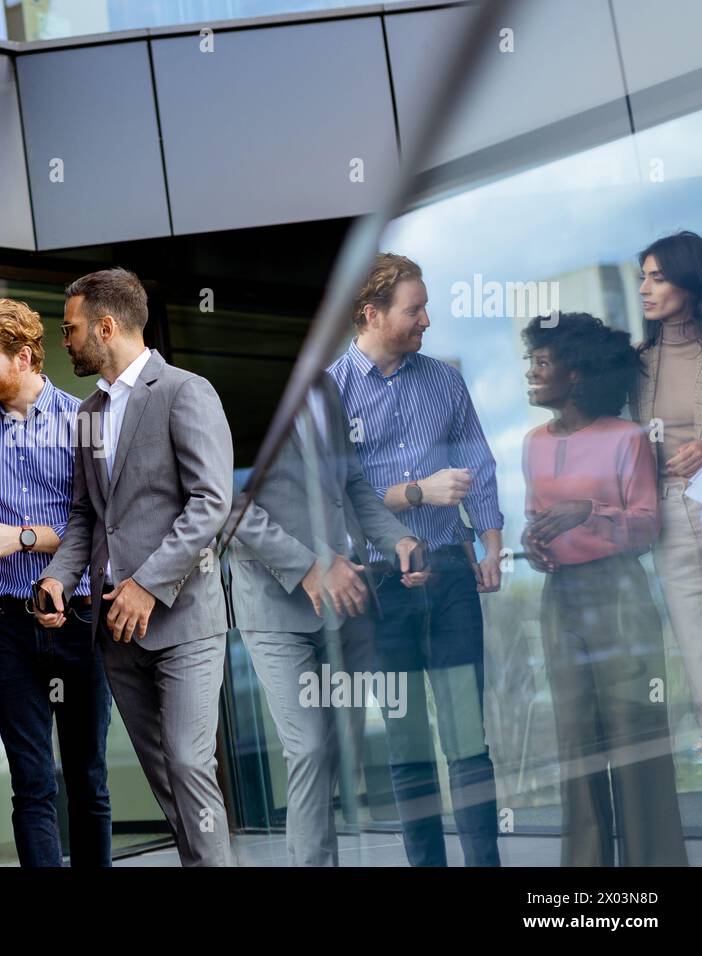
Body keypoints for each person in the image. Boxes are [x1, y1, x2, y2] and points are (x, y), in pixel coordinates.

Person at [35, 267, 235, 867]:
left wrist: (147, 585)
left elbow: (211, 503)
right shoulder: (88, 413)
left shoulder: (184, 391)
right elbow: (86, 516)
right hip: (116, 632)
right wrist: (57, 578)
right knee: (165, 776)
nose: (64, 340)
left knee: (189, 762)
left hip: (184, 621)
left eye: (70, 329)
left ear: (106, 326)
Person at [326, 252, 502, 867]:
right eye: (415, 309)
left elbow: (479, 464)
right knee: (407, 750)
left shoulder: (444, 381)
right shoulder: (331, 393)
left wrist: (492, 544)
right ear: (371, 313)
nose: (427, 319)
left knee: (467, 741)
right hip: (380, 590)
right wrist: (417, 492)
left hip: (451, 577)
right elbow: (334, 498)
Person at [0, 298, 112, 867]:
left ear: (25, 358)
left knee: (87, 775)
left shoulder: (84, 423)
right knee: (31, 781)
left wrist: (23, 538)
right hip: (9, 625)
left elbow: (100, 523)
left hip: (80, 617)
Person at [230, 373, 427, 865]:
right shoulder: (237, 390)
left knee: (339, 749)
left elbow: (352, 482)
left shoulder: (327, 388)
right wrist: (310, 567)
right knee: (309, 748)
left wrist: (397, 539)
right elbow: (229, 505)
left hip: (349, 605)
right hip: (275, 608)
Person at [521, 312, 686, 866]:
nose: (531, 372)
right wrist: (535, 543)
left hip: (619, 595)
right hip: (559, 598)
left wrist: (588, 511)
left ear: (576, 373)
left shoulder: (627, 438)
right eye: (530, 361)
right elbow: (537, 518)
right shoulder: (532, 443)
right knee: (576, 745)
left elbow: (647, 526)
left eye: (542, 362)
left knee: (635, 738)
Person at [633, 231, 702, 762]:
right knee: (697, 647)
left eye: (657, 278)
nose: (644, 289)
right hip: (669, 515)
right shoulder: (636, 363)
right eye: (642, 278)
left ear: (690, 281)